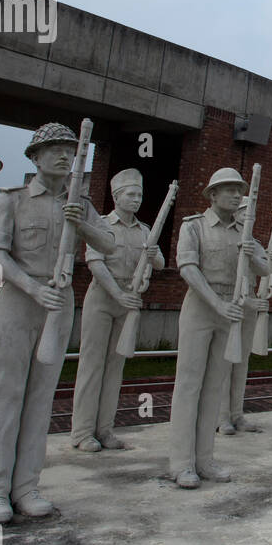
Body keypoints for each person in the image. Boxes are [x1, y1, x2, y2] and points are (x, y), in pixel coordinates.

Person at [0, 123, 116, 524]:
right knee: (5, 395)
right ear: (34, 157)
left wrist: (83, 222)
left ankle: (26, 486)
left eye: (69, 150)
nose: (62, 155)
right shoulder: (13, 200)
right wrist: (33, 290)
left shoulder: (80, 202)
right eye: (52, 149)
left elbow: (109, 244)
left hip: (60, 303)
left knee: (40, 398)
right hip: (19, 300)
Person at [169, 168, 272, 489]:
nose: (235, 194)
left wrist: (254, 252)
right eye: (227, 189)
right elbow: (187, 267)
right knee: (189, 385)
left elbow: (267, 268)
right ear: (212, 195)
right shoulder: (195, 227)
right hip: (202, 306)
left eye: (238, 190)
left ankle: (204, 459)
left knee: (214, 386)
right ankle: (181, 463)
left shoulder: (245, 231)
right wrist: (216, 303)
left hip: (231, 310)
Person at [70, 168, 163, 452]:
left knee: (115, 367)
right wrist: (118, 295)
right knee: (91, 365)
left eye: (139, 195)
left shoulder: (146, 230)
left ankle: (105, 429)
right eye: (130, 194)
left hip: (129, 300)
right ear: (116, 196)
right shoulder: (102, 225)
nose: (136, 199)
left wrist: (151, 254)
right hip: (103, 298)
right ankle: (82, 432)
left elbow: (158, 263)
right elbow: (95, 263)